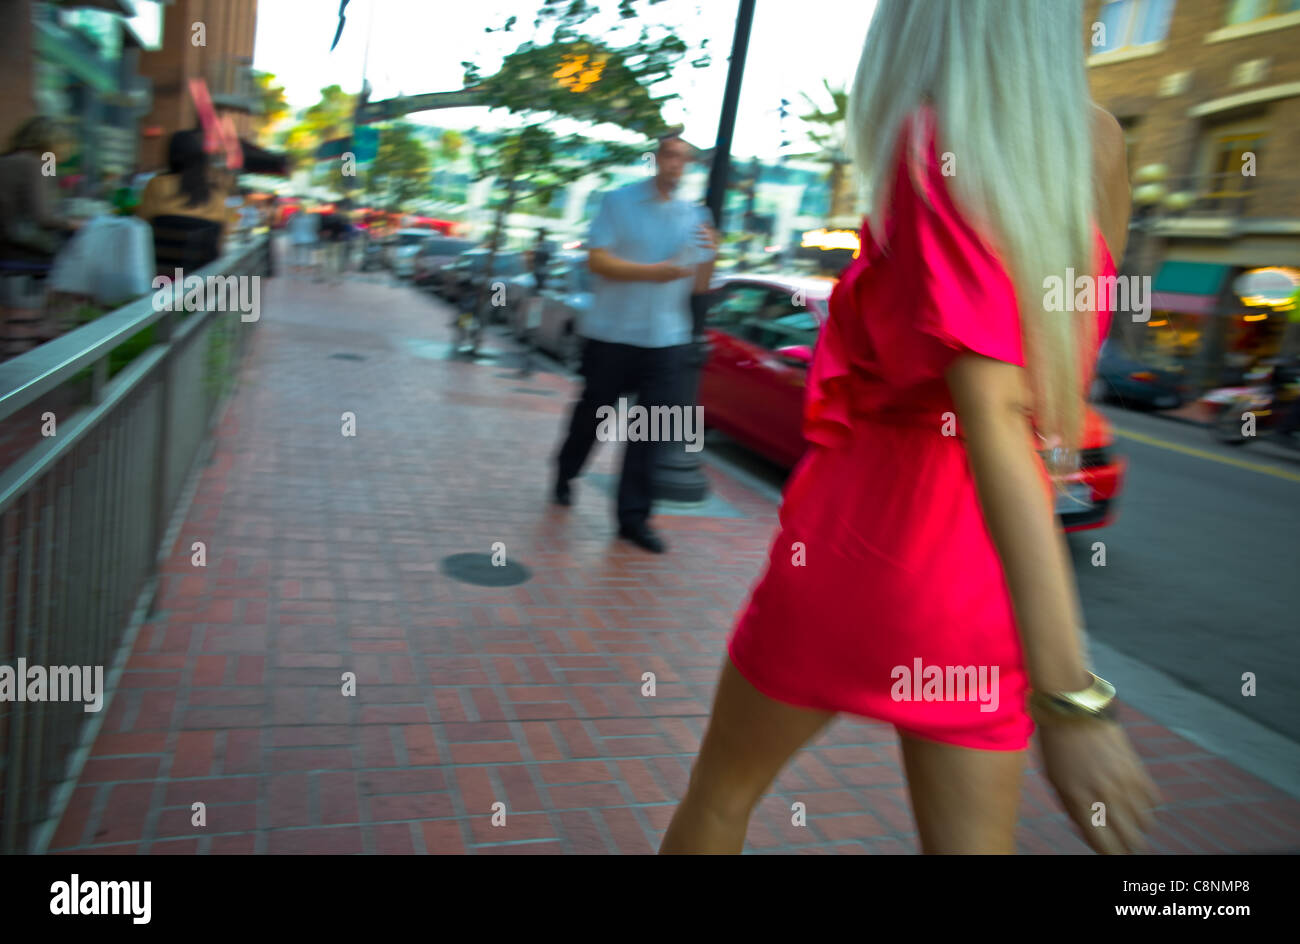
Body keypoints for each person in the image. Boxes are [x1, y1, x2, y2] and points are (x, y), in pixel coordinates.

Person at [660, 0, 1159, 855]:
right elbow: (1039, 390)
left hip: (856, 541)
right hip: (978, 574)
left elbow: (991, 399)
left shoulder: (927, 139)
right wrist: (1069, 697)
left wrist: (1072, 702)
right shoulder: (1100, 143)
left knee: (722, 796)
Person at [551, 132, 719, 553]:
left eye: (684, 158)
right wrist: (653, 272)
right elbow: (598, 259)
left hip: (667, 339)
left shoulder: (697, 217)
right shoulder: (618, 201)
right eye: (669, 154)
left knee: (652, 433)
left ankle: (633, 519)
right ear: (656, 158)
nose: (675, 163)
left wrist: (713, 256)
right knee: (592, 417)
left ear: (690, 165)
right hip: (613, 333)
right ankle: (565, 471)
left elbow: (699, 285)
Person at [135, 129, 239, 253]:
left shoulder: (156, 185)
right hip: (202, 271)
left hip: (159, 268)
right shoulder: (218, 196)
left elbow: (140, 224)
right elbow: (223, 238)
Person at [0, 117, 76, 266]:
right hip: (14, 245)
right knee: (81, 255)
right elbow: (44, 217)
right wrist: (78, 223)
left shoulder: (8, 159)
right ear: (53, 144)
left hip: (5, 240)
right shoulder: (34, 163)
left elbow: (49, 198)